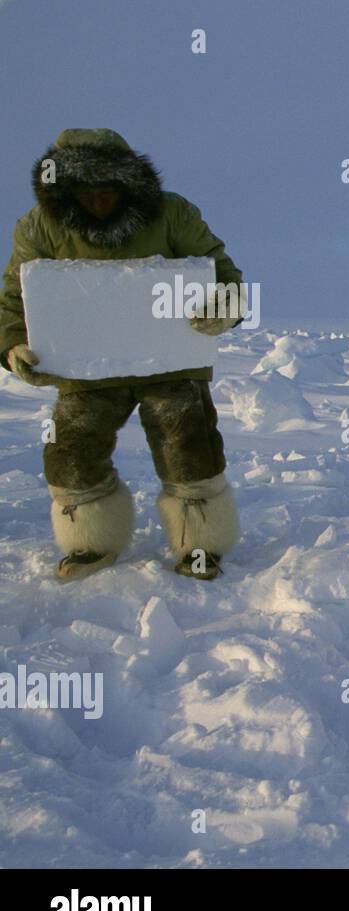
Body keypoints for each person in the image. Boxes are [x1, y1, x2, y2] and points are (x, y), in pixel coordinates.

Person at [0, 128, 243, 580]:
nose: (98, 201)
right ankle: (90, 543)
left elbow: (222, 271)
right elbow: (15, 297)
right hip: (83, 369)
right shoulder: (37, 226)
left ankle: (200, 545)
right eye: (86, 192)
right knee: (71, 454)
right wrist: (13, 348)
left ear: (130, 185)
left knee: (189, 448)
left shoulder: (173, 213)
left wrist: (225, 304)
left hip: (171, 364)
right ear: (65, 191)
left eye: (108, 190)